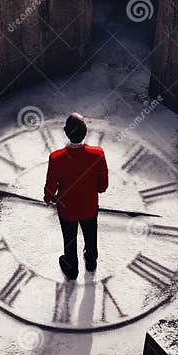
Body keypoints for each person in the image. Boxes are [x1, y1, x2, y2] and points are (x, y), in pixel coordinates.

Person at [43, 113, 109, 279]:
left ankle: (71, 268)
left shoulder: (56, 158)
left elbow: (50, 188)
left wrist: (48, 199)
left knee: (70, 239)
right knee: (91, 234)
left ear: (66, 132)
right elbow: (103, 186)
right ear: (85, 132)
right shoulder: (98, 154)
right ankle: (91, 261)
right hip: (89, 207)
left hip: (67, 210)